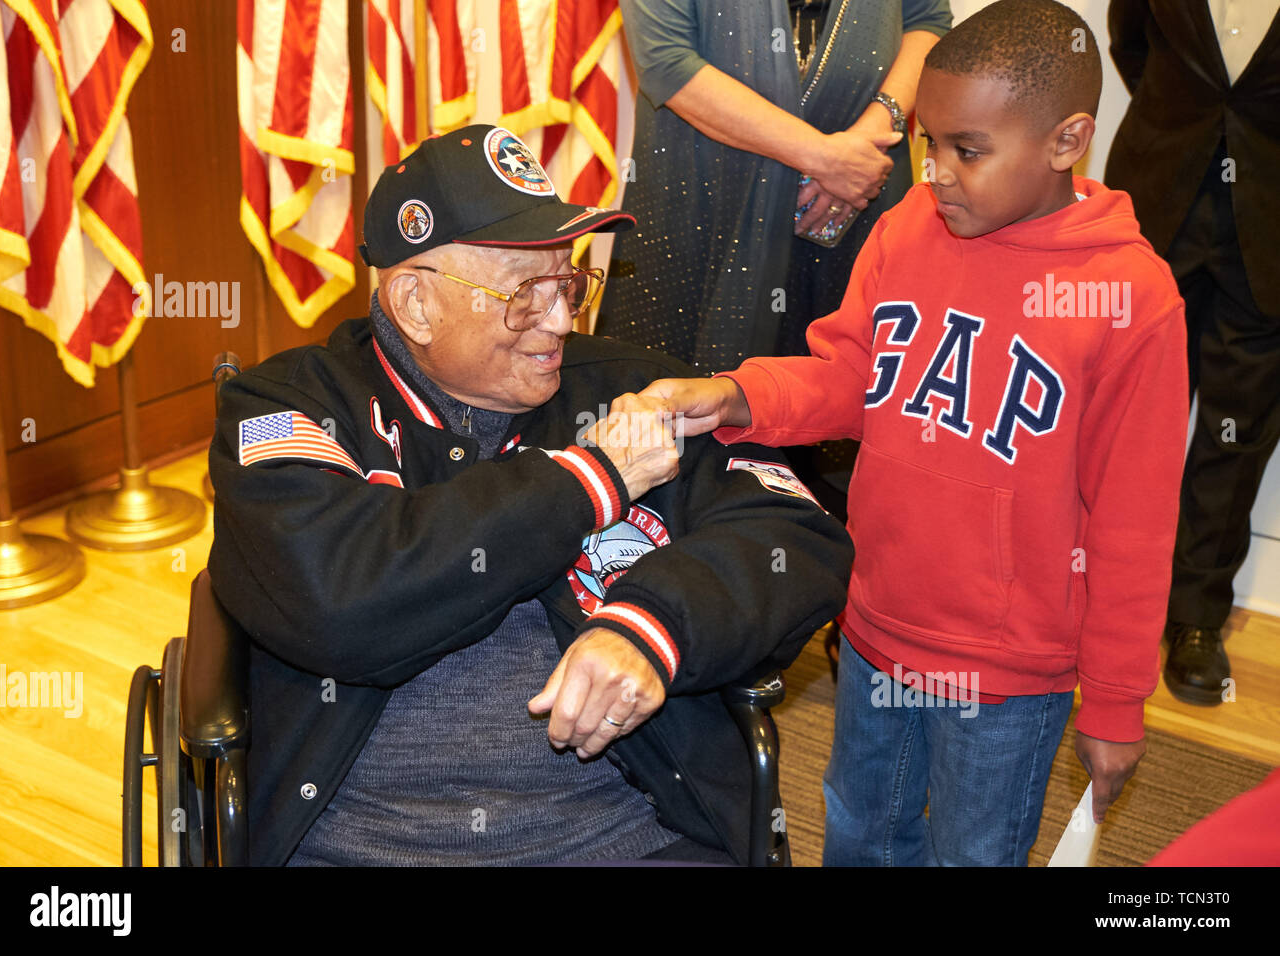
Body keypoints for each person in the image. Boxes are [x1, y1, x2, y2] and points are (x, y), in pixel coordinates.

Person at [206, 124, 853, 866]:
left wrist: (655, 626)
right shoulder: (288, 407)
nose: (560, 321)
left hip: (626, 836)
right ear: (415, 303)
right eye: (524, 295)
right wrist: (593, 479)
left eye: (569, 283)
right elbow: (339, 602)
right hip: (366, 842)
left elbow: (796, 533)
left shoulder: (625, 383)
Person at [641, 0, 1189, 865]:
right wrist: (740, 396)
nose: (932, 171)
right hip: (878, 628)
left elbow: (1135, 522)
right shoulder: (905, 231)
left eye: (966, 151)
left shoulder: (1131, 298)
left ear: (1066, 140)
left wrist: (1117, 702)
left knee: (971, 853)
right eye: (927, 142)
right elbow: (850, 377)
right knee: (858, 829)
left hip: (1009, 674)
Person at [596, 0, 951, 374]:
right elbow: (664, 59)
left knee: (849, 388)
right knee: (680, 401)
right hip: (707, 190)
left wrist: (872, 129)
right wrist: (827, 159)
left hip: (864, 174)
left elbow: (926, 20)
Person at [1105, 0, 1280, 706]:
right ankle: (1100, 591)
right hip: (1157, 198)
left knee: (1234, 435)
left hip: (1268, 229)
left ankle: (1196, 619)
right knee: (1115, 417)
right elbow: (1131, 46)